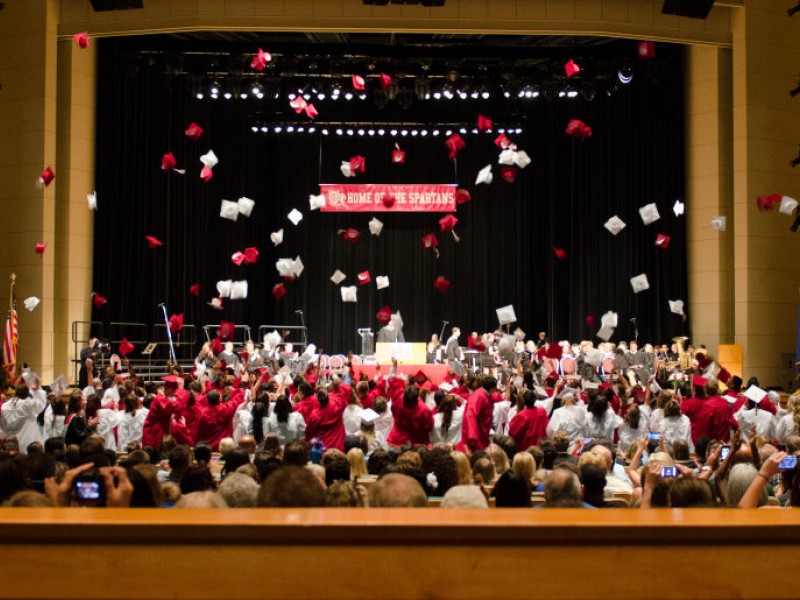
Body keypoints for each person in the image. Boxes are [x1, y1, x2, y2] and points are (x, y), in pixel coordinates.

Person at [1, 381, 47, 452]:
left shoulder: (5, 406)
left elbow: (2, 425)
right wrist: (38, 390)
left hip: (11, 442)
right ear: (27, 394)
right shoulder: (27, 405)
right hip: (27, 441)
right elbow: (41, 404)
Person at [457, 376, 498, 454]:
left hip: (483, 431)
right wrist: (472, 436)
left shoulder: (484, 394)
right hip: (478, 434)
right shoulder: (478, 396)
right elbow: (470, 414)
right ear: (492, 388)